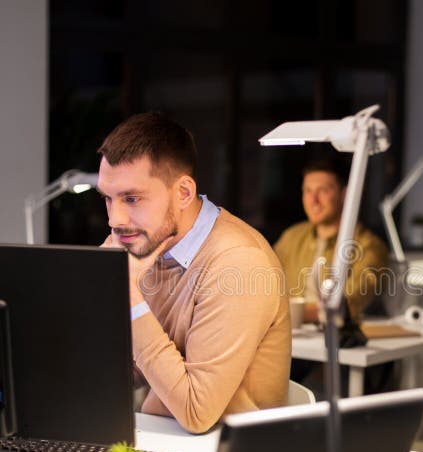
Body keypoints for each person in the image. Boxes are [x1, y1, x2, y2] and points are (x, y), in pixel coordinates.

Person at [97, 111, 291, 434]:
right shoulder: (147, 244)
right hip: (166, 442)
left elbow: (197, 412)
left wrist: (126, 294)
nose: (114, 220)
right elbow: (121, 371)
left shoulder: (238, 263)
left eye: (131, 198)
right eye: (108, 199)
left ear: (184, 193)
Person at [273, 157, 389, 386]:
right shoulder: (292, 237)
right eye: (307, 190)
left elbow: (345, 304)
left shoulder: (367, 246)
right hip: (290, 341)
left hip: (333, 350)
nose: (313, 200)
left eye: (323, 190)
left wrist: (283, 313)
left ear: (346, 194)